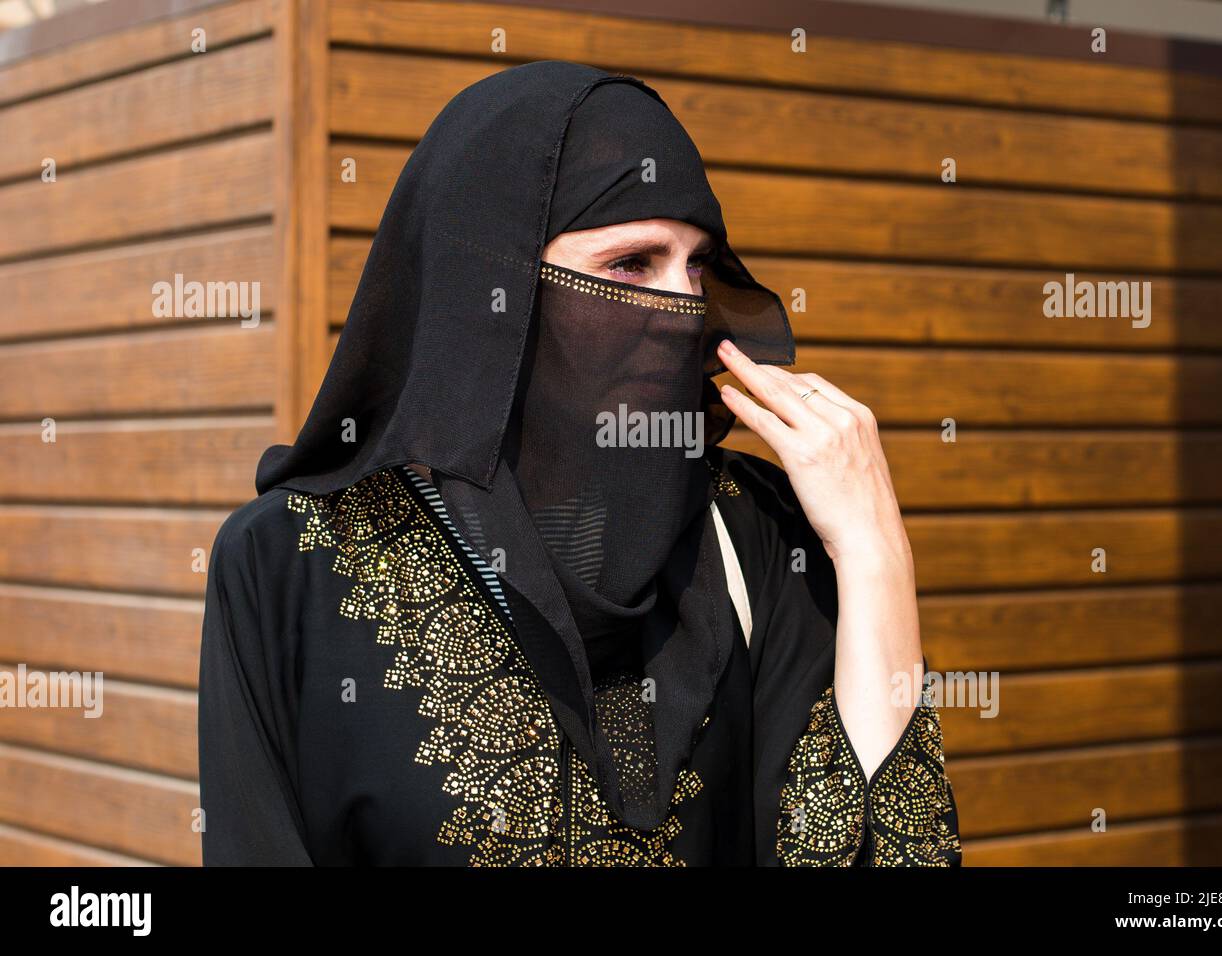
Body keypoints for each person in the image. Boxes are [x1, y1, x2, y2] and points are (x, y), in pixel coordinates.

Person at [197, 60, 961, 866]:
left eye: (696, 266)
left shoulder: (753, 534)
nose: (681, 308)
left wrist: (875, 553)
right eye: (632, 265)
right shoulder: (295, 563)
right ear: (500, 281)